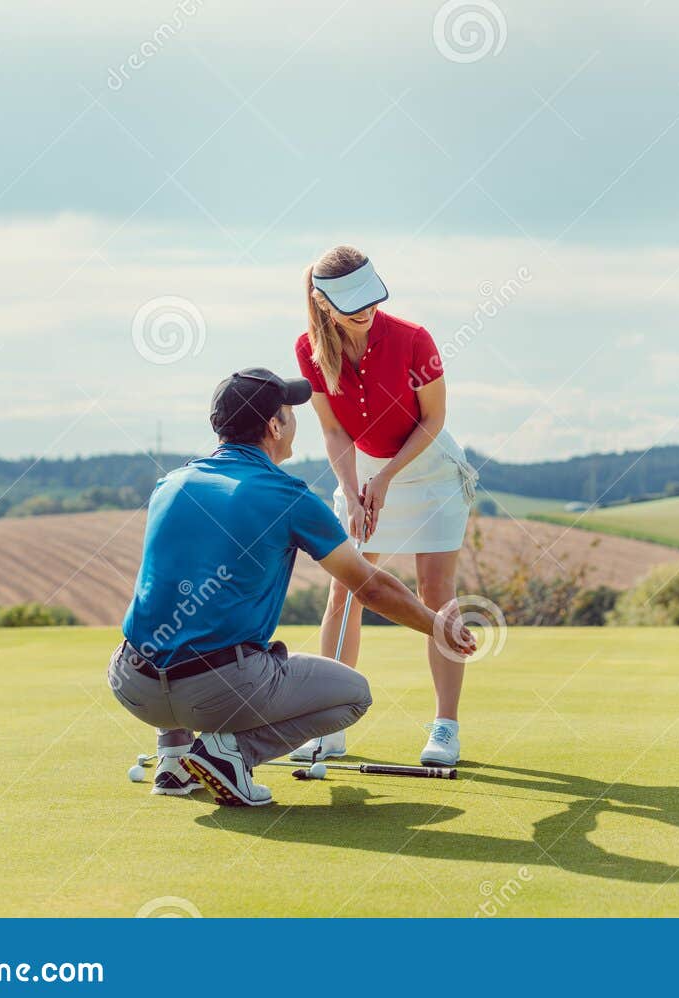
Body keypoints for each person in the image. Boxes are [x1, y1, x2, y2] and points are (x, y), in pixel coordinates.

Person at [108, 367, 475, 807]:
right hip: (215, 692)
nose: (296, 421)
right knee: (353, 694)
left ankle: (173, 757)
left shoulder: (170, 484)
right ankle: (230, 755)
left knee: (180, 621)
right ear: (274, 426)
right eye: (290, 412)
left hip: (133, 683)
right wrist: (437, 625)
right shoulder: (289, 496)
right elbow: (371, 588)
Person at [291, 244, 479, 768]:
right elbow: (332, 429)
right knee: (346, 592)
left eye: (370, 298)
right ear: (323, 304)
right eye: (352, 303)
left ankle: (446, 726)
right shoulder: (308, 349)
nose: (367, 310)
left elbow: (432, 421)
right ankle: (327, 724)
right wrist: (352, 491)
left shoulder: (415, 340)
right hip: (363, 469)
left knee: (436, 592)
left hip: (429, 469)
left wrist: (389, 476)